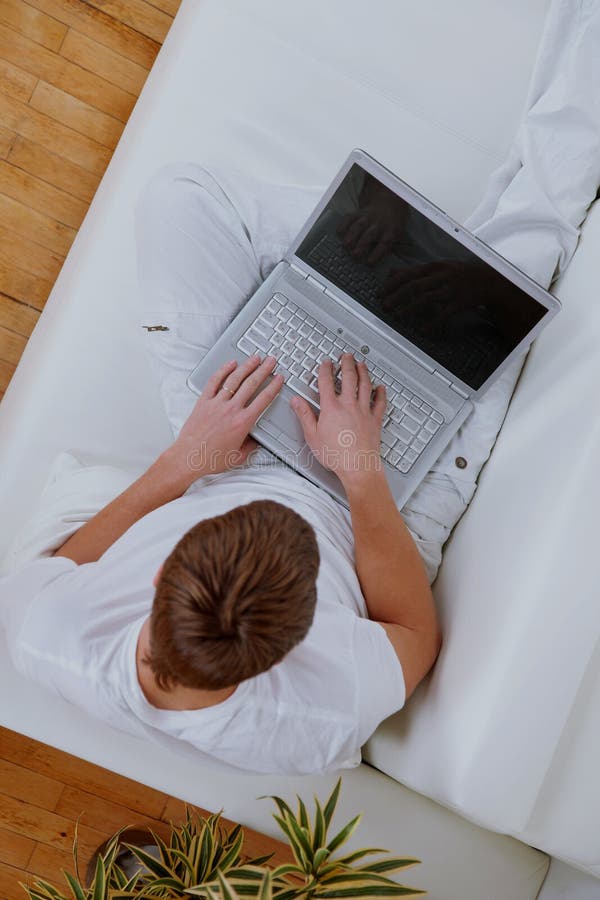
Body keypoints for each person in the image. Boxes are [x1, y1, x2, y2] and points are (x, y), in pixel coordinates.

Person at [1, 0, 599, 776]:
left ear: (159, 572)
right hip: (377, 505)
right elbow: (412, 637)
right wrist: (359, 472)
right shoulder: (311, 718)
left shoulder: (39, 632)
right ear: (295, 644)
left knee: (182, 197)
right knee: (532, 234)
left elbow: (70, 565)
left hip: (217, 459)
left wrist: (189, 462)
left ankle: (366, 257)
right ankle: (430, 269)